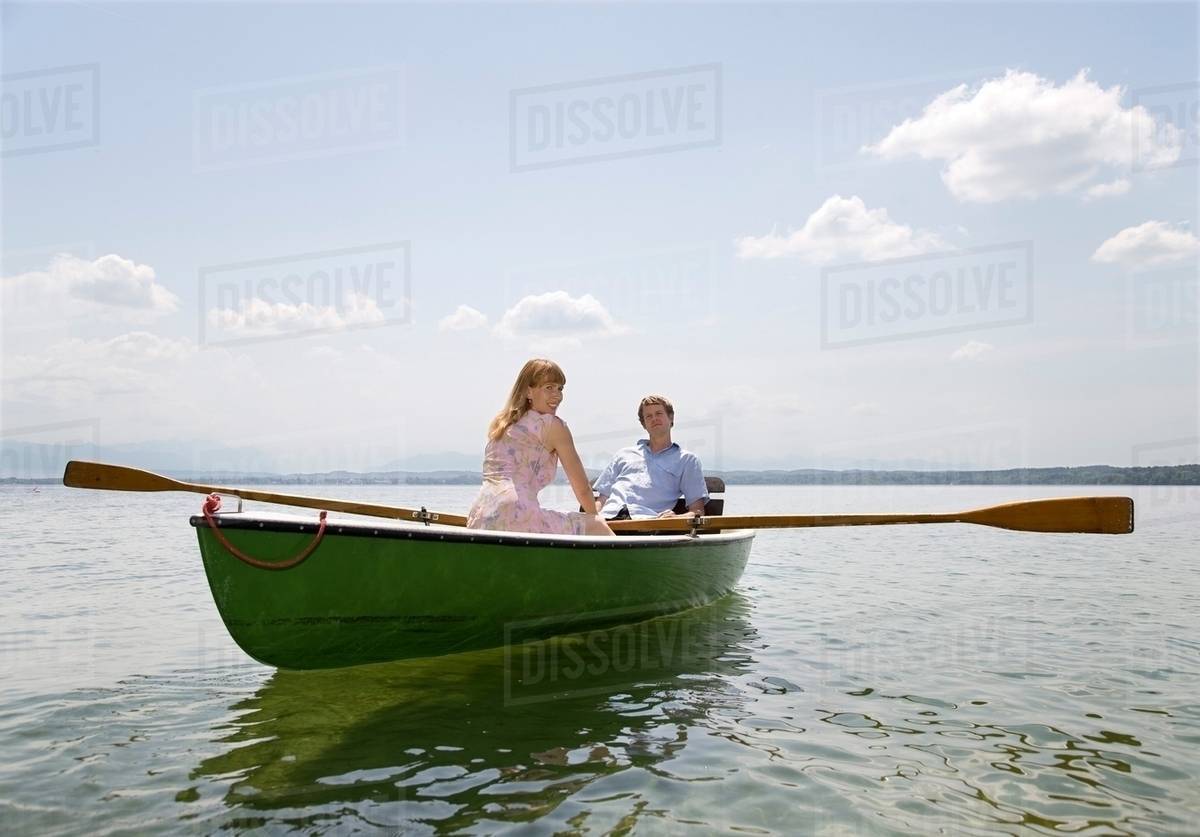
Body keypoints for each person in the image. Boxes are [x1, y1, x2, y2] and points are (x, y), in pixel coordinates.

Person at [467, 359, 614, 536]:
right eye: (549, 388)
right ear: (528, 391)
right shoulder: (552, 426)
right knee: (596, 525)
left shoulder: (502, 424)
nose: (557, 395)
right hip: (518, 513)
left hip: (481, 514)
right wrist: (595, 517)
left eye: (560, 388)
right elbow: (582, 487)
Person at [593, 395, 708, 519]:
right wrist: (592, 518)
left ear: (671, 417)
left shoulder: (687, 460)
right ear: (644, 424)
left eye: (659, 413)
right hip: (608, 519)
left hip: (645, 522)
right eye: (648, 416)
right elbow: (602, 499)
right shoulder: (623, 455)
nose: (654, 418)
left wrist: (675, 518)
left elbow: (697, 510)